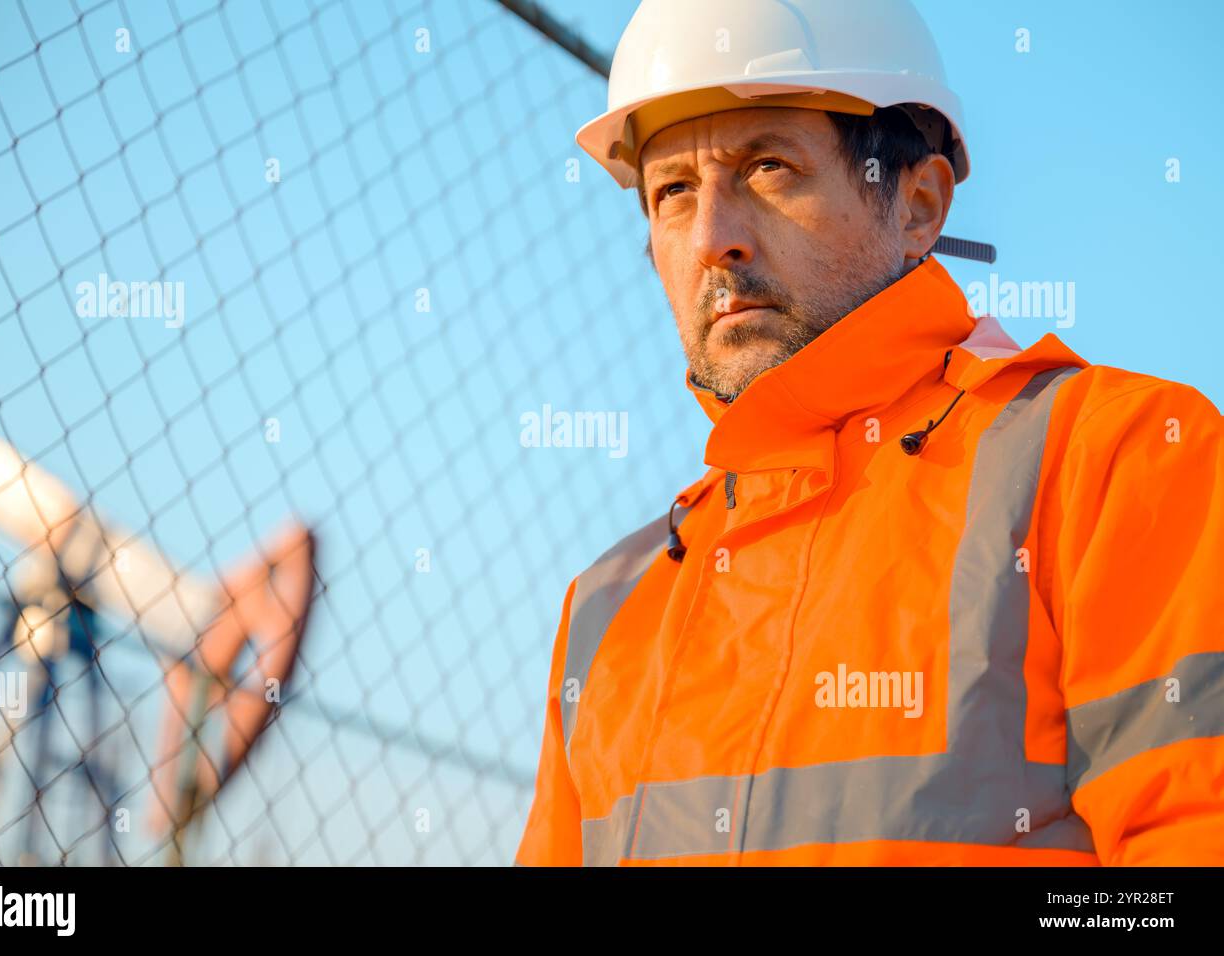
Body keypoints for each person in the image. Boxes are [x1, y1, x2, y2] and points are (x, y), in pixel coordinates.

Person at [516, 0, 1224, 866]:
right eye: (674, 193)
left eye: (769, 167)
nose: (713, 241)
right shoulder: (607, 609)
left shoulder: (1113, 460)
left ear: (917, 204)